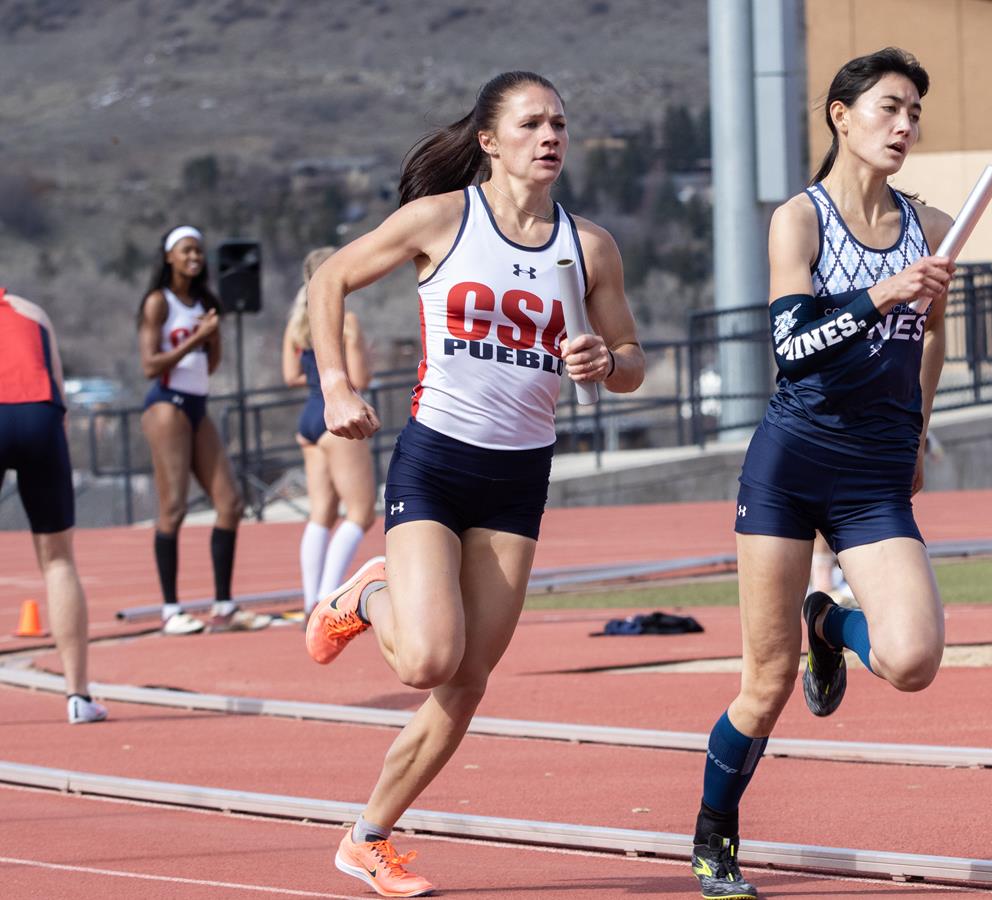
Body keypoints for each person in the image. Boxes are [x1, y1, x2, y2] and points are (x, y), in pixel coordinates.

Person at [302, 70, 644, 897]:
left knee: (465, 685)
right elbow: (328, 280)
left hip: (518, 478)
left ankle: (367, 838)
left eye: (559, 123)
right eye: (531, 124)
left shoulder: (589, 246)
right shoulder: (444, 219)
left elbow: (632, 362)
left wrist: (606, 362)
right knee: (427, 659)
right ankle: (367, 594)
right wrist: (337, 386)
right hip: (437, 461)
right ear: (489, 141)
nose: (550, 136)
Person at [687, 48, 956, 900]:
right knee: (765, 684)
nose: (905, 126)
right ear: (841, 115)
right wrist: (881, 294)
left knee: (913, 659)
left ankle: (829, 622)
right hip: (791, 465)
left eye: (915, 112)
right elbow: (793, 348)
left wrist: (919, 433)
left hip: (875, 472)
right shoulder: (799, 220)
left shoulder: (934, 227)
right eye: (889, 108)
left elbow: (933, 337)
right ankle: (714, 835)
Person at [136, 226, 267, 635]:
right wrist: (195, 338)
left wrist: (213, 336)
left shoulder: (206, 302)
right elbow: (150, 365)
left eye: (198, 251)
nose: (194, 257)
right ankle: (171, 609)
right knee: (173, 507)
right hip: (166, 404)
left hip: (197, 404)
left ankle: (224, 606)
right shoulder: (159, 302)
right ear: (169, 256)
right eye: (186, 250)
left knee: (230, 503)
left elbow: (209, 366)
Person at [0, 287, 107, 724]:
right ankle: (78, 697)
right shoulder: (32, 312)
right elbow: (59, 392)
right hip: (40, 416)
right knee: (59, 560)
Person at [283, 247, 376, 616]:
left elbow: (290, 375)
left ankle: (311, 599)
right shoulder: (347, 320)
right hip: (335, 415)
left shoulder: (298, 323)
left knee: (320, 513)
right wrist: (362, 352)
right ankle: (326, 599)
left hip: (308, 415)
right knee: (360, 513)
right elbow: (360, 377)